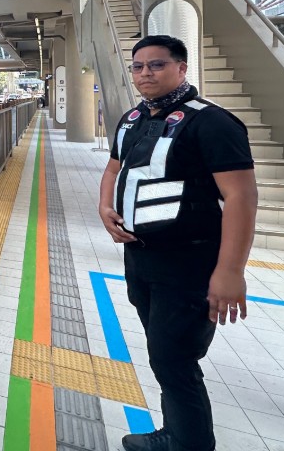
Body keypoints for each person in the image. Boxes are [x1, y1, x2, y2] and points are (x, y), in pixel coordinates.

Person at [98, 35, 257, 451]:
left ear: (181, 68)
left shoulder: (212, 122)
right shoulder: (133, 118)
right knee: (163, 353)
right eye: (138, 66)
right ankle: (177, 434)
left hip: (189, 262)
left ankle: (188, 442)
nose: (145, 74)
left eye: (157, 65)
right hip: (141, 258)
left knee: (175, 359)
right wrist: (104, 206)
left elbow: (241, 196)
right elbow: (114, 167)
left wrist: (230, 271)